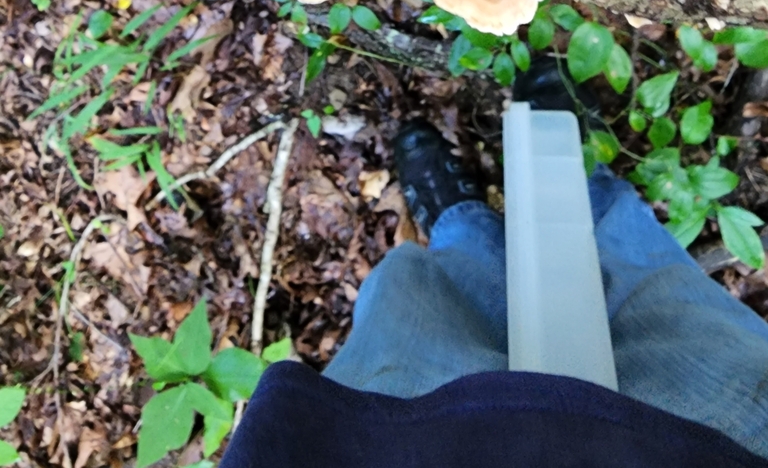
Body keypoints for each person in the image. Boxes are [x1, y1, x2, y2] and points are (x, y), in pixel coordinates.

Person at [221, 60, 768, 467]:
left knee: (421, 318)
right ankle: (585, 180)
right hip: (710, 447)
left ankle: (462, 223)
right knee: (665, 300)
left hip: (402, 447)